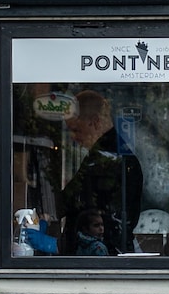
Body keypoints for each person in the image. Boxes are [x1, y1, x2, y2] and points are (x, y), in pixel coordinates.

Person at [56, 90, 142, 256]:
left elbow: (69, 203)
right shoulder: (110, 157)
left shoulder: (106, 161)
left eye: (76, 130)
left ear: (94, 122)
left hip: (100, 258)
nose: (73, 137)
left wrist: (59, 244)